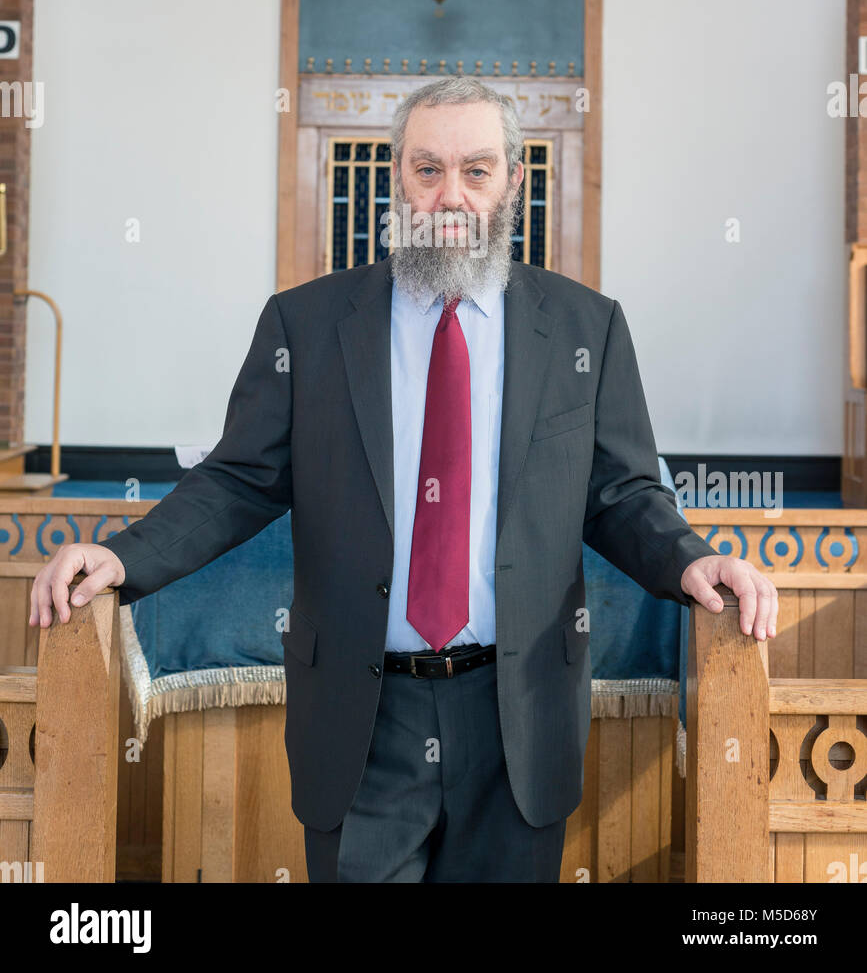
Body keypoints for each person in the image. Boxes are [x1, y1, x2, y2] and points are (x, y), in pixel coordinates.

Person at [30, 77, 778, 883]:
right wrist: (123, 558)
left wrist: (689, 560)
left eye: (476, 170)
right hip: (361, 719)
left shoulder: (583, 327)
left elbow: (622, 493)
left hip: (516, 713)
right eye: (427, 169)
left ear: (513, 182)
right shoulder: (306, 324)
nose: (449, 195)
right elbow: (239, 479)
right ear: (396, 177)